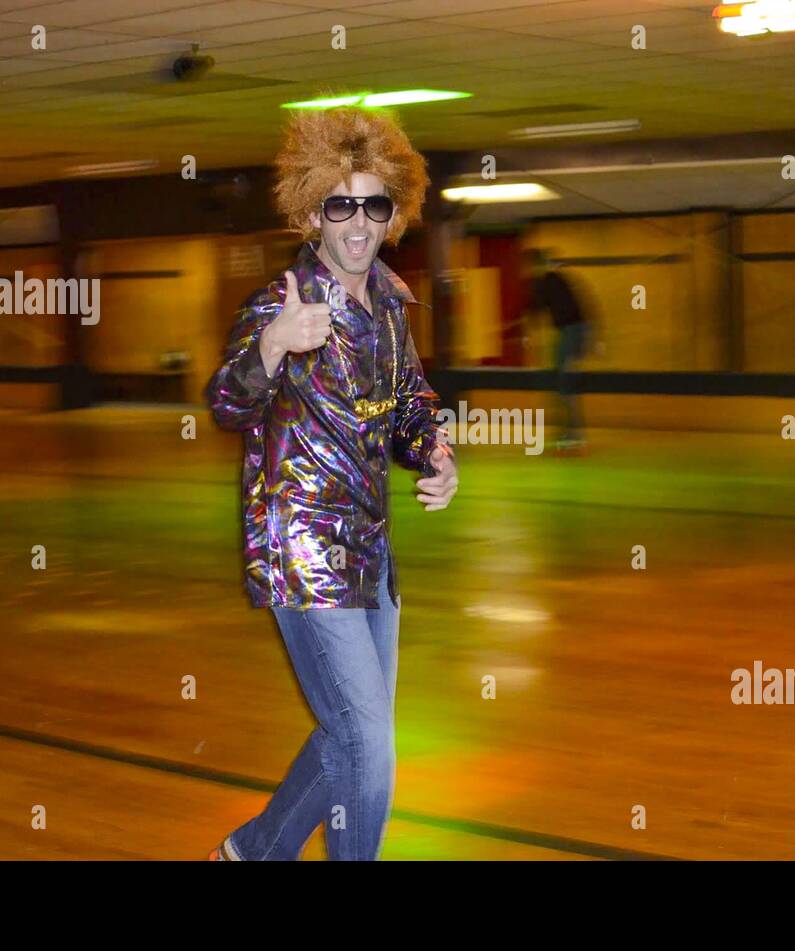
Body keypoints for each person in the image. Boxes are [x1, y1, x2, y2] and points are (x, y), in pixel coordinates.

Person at [204, 105, 458, 861]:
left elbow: (410, 402)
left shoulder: (389, 306)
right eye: (340, 204)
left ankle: (252, 851)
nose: (357, 222)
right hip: (304, 551)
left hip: (372, 554)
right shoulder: (279, 304)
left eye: (373, 204)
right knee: (369, 743)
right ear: (314, 210)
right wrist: (274, 346)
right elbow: (225, 402)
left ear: (393, 213)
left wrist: (435, 450)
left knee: (351, 730)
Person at [526, 247, 590, 453]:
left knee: (564, 384)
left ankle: (572, 433)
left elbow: (535, 308)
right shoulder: (556, 280)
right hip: (574, 332)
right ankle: (568, 431)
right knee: (563, 382)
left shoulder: (547, 281)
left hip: (571, 332)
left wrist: (526, 334)